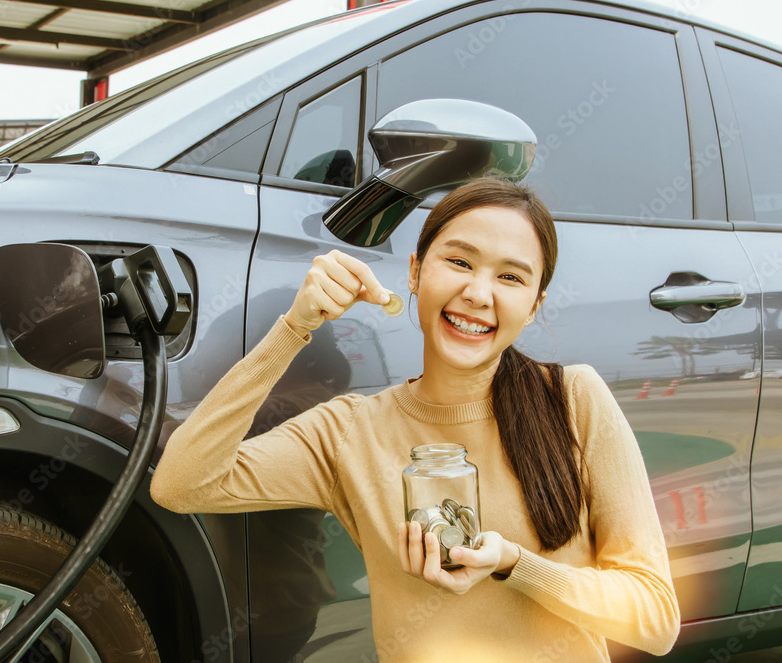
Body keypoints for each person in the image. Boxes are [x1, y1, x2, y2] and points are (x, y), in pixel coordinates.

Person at [150, 177, 680, 661]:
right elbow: (182, 483)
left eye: (511, 277)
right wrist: (295, 326)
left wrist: (514, 565)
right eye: (460, 262)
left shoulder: (573, 399)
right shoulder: (349, 431)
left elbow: (655, 619)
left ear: (535, 304)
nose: (478, 293)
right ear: (414, 271)